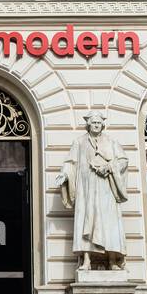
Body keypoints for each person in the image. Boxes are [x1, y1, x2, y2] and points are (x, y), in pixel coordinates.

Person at [56, 112, 129, 271]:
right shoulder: (79, 142)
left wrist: (109, 167)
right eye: (93, 122)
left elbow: (123, 161)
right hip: (86, 189)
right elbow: (71, 163)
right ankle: (87, 261)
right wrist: (64, 174)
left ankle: (112, 261)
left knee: (109, 224)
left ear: (103, 124)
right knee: (86, 222)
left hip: (106, 189)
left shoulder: (111, 142)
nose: (96, 125)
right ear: (88, 124)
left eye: (98, 122)